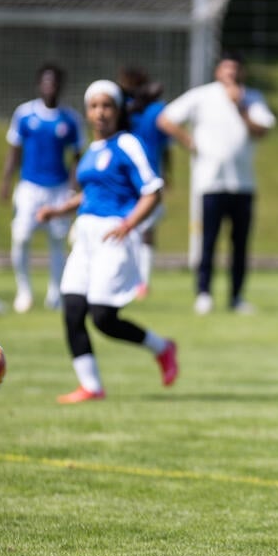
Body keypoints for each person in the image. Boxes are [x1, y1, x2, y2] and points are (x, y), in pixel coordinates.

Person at [35, 80, 178, 404]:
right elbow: (90, 194)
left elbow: (152, 191)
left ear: (118, 111)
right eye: (94, 106)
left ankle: (162, 347)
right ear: (87, 112)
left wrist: (129, 223)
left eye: (107, 106)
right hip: (85, 237)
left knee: (103, 318)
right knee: (72, 310)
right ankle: (91, 386)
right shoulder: (92, 151)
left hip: (114, 234)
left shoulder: (127, 143)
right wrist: (58, 210)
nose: (100, 113)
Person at [157, 51, 275, 315]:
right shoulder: (202, 96)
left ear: (242, 72)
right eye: (226, 68)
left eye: (235, 68)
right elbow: (165, 119)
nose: (230, 73)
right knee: (207, 241)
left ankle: (236, 297)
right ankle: (204, 293)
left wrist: (240, 107)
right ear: (218, 71)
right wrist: (188, 141)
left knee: (240, 245)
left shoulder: (252, 98)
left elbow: (262, 130)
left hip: (243, 184)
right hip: (209, 182)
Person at [0, 63, 84, 314]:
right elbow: (14, 150)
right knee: (21, 236)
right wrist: (6, 181)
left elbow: (77, 157)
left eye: (54, 82)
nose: (50, 87)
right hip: (29, 187)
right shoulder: (25, 114)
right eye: (46, 82)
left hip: (58, 189)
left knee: (57, 241)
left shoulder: (70, 119)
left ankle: (55, 294)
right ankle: (24, 292)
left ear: (60, 86)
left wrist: (73, 190)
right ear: (39, 85)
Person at [118, 66, 168, 300]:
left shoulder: (154, 110)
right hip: (125, 176)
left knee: (144, 229)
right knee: (131, 229)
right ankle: (131, 280)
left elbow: (164, 145)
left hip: (145, 175)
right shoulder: (122, 108)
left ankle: (141, 282)